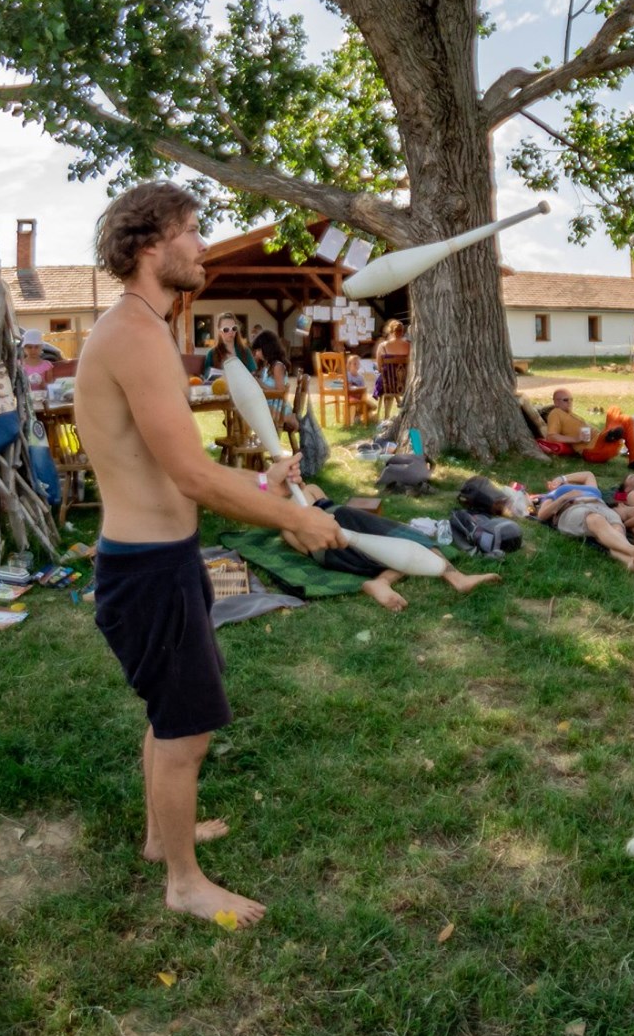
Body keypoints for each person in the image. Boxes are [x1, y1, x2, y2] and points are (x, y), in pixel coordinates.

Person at [76, 179, 343, 928]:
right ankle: (186, 883)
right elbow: (192, 475)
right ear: (149, 244)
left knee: (170, 713)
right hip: (149, 568)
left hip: (158, 557)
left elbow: (173, 463)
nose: (201, 244)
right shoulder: (135, 333)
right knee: (186, 727)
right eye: (191, 229)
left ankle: (165, 839)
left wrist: (264, 477)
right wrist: (302, 523)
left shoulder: (143, 329)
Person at [294, 481, 500, 609]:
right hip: (338, 525)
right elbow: (307, 536)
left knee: (401, 554)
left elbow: (307, 547)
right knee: (411, 539)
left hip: (335, 544)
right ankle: (457, 578)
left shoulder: (306, 493)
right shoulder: (292, 511)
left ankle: (381, 582)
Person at [533, 472, 634, 570]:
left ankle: (630, 562)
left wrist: (561, 478)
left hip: (601, 506)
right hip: (575, 507)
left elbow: (588, 474)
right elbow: (542, 515)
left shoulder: (591, 489)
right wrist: (564, 497)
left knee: (616, 532)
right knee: (596, 519)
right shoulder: (555, 493)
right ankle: (633, 549)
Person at [544, 388, 634, 467]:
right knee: (617, 414)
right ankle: (611, 434)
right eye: (565, 400)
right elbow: (551, 437)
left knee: (625, 418)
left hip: (601, 444)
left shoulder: (571, 414)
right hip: (591, 450)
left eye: (571, 400)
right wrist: (576, 439)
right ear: (556, 402)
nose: (570, 402)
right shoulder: (555, 413)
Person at [250, 330, 300, 435]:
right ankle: (250, 444)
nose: (257, 354)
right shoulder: (266, 367)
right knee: (244, 409)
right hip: (268, 405)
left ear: (267, 348)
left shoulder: (277, 366)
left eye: (259, 350)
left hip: (277, 408)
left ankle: (250, 445)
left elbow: (280, 392)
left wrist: (259, 383)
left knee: (246, 412)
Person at [19, 329, 54, 396]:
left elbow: (51, 386)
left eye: (36, 347)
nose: (33, 350)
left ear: (41, 348)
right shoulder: (19, 365)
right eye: (29, 347)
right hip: (25, 399)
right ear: (24, 348)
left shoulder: (47, 365)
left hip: (41, 399)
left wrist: (43, 384)